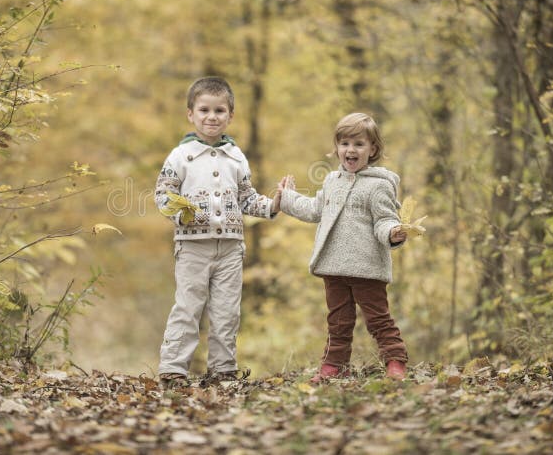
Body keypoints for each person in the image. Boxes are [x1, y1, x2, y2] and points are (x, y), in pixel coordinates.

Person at [154, 76, 280, 387]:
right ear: (191, 114)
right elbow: (162, 194)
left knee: (227, 310)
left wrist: (272, 206)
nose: (212, 117)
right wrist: (178, 211)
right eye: (204, 110)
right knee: (189, 305)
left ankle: (223, 370)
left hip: (231, 247)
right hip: (193, 246)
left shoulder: (236, 156)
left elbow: (246, 198)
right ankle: (173, 368)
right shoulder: (180, 156)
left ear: (230, 115)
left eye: (220, 111)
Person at [278, 112, 408, 383]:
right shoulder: (331, 181)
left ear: (372, 149)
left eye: (359, 144)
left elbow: (385, 220)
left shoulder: (379, 186)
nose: (351, 150)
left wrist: (393, 234)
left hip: (366, 267)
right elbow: (315, 210)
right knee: (338, 321)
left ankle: (395, 361)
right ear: (336, 147)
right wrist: (287, 198)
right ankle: (334, 366)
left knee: (378, 319)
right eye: (345, 143)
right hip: (333, 266)